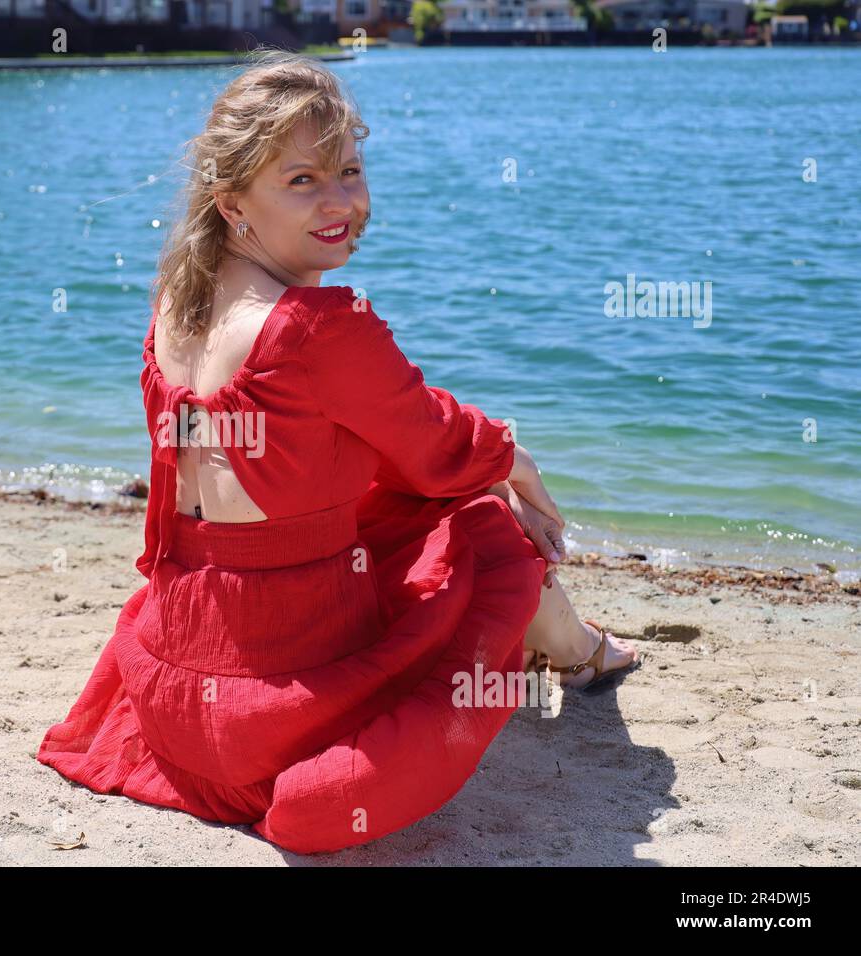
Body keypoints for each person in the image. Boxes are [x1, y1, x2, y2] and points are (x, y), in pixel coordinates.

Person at [37, 49, 640, 855]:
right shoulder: (319, 326)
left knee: (426, 500)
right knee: (486, 527)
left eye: (349, 170)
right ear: (232, 204)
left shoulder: (176, 308)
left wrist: (478, 463)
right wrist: (513, 461)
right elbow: (434, 448)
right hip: (270, 730)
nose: (342, 203)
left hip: (170, 700)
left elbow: (333, 445)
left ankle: (577, 646)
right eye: (302, 181)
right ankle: (580, 650)